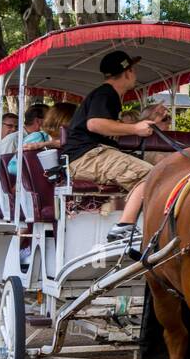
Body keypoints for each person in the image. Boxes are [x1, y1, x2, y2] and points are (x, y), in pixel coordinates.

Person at [62, 50, 157, 247]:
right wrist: (135, 128)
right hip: (87, 156)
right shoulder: (106, 93)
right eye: (134, 70)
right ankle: (124, 226)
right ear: (128, 72)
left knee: (156, 169)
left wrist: (145, 122)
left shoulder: (108, 95)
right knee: (151, 176)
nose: (135, 74)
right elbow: (94, 124)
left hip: (90, 154)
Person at [6, 103, 48, 176]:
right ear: (38, 121)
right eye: (50, 119)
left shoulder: (44, 137)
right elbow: (5, 167)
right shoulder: (13, 139)